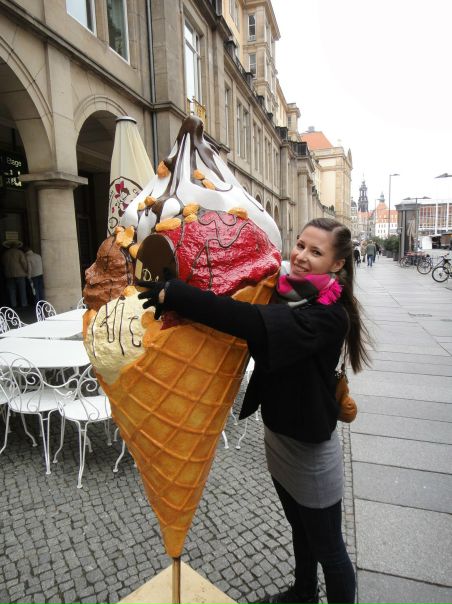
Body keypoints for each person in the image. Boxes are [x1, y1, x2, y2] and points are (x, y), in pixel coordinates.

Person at [138, 217, 369, 604]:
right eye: (300, 245)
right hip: (278, 434)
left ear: (337, 264)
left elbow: (249, 322)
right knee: (299, 526)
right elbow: (238, 290)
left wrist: (177, 294)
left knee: (330, 548)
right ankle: (303, 594)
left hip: (310, 450)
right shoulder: (284, 289)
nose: (301, 256)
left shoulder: (329, 315)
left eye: (316, 251)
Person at [1, 240, 28, 308]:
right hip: (20, 274)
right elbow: (23, 263)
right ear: (16, 246)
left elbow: (3, 263)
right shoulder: (19, 252)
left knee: (12, 291)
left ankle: (13, 304)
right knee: (22, 290)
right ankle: (24, 304)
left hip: (9, 274)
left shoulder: (5, 254)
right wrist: (26, 271)